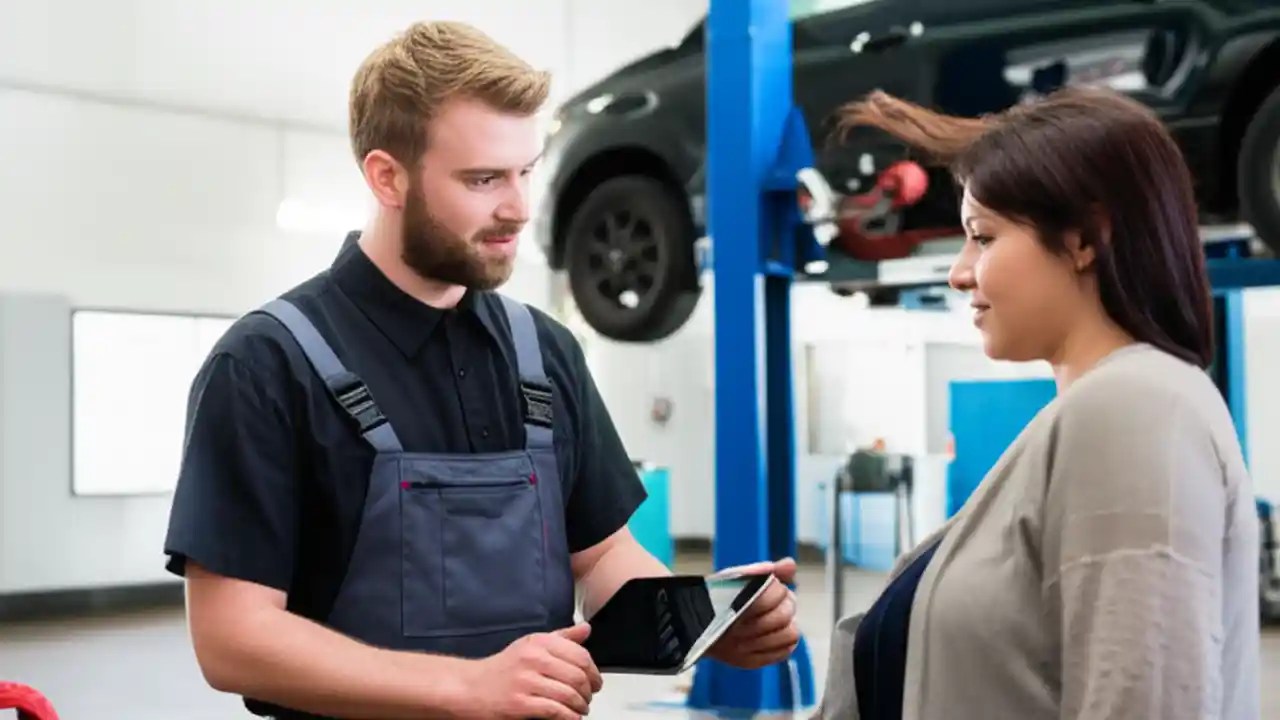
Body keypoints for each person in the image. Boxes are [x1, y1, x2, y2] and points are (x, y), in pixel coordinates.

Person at [163, 20, 799, 720]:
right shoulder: (266, 365)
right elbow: (233, 639)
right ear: (386, 176)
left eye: (525, 172)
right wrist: (466, 687)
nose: (518, 208)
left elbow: (604, 560)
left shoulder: (546, 351)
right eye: (483, 179)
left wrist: (703, 620)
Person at [812, 88, 1262, 719]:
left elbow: (1144, 701)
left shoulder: (1136, 408)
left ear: (1084, 239)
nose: (959, 272)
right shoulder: (1097, 412)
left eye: (984, 237)